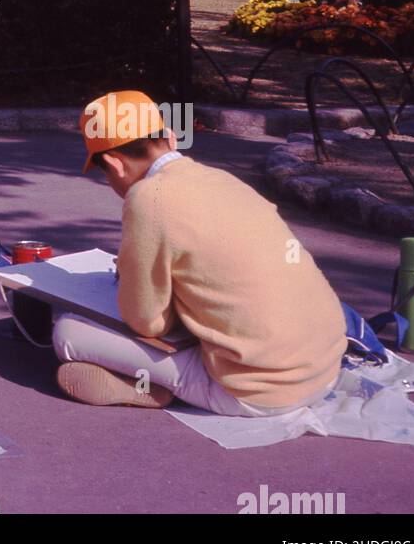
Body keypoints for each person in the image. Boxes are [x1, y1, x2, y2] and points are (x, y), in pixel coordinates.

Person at [54, 89, 346, 414]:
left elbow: (147, 323)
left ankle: (163, 384)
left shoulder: (147, 198)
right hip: (326, 368)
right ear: (168, 138)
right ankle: (150, 379)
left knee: (69, 330)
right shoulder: (221, 179)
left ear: (114, 164)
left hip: (259, 392)